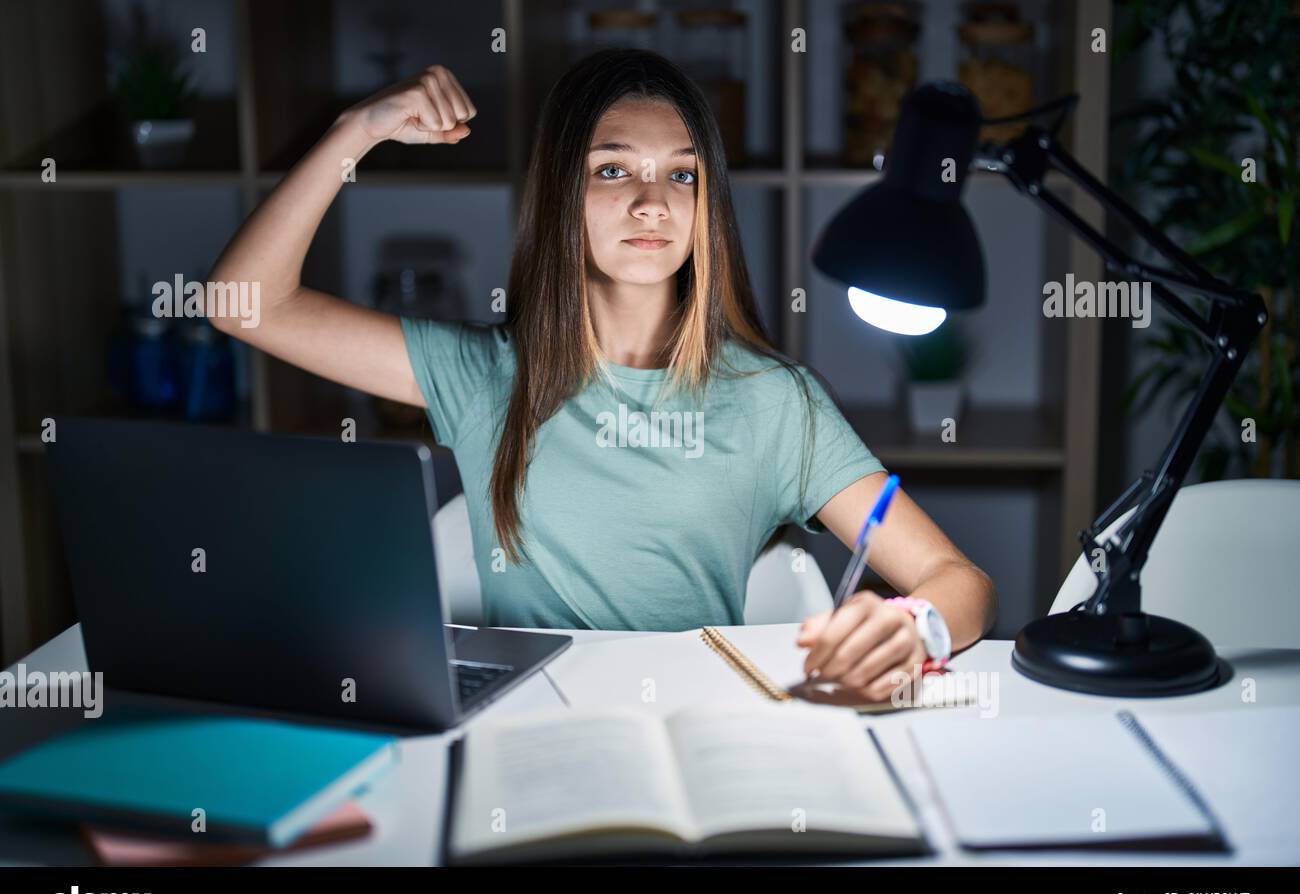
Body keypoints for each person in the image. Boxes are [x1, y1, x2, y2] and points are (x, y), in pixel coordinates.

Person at [208, 49, 997, 705]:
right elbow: (244, 304)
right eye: (614, 170)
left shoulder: (777, 403)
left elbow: (955, 578)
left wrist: (916, 626)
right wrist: (357, 130)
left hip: (703, 731)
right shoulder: (484, 376)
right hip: (521, 732)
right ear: (562, 196)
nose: (654, 203)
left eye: (682, 176)